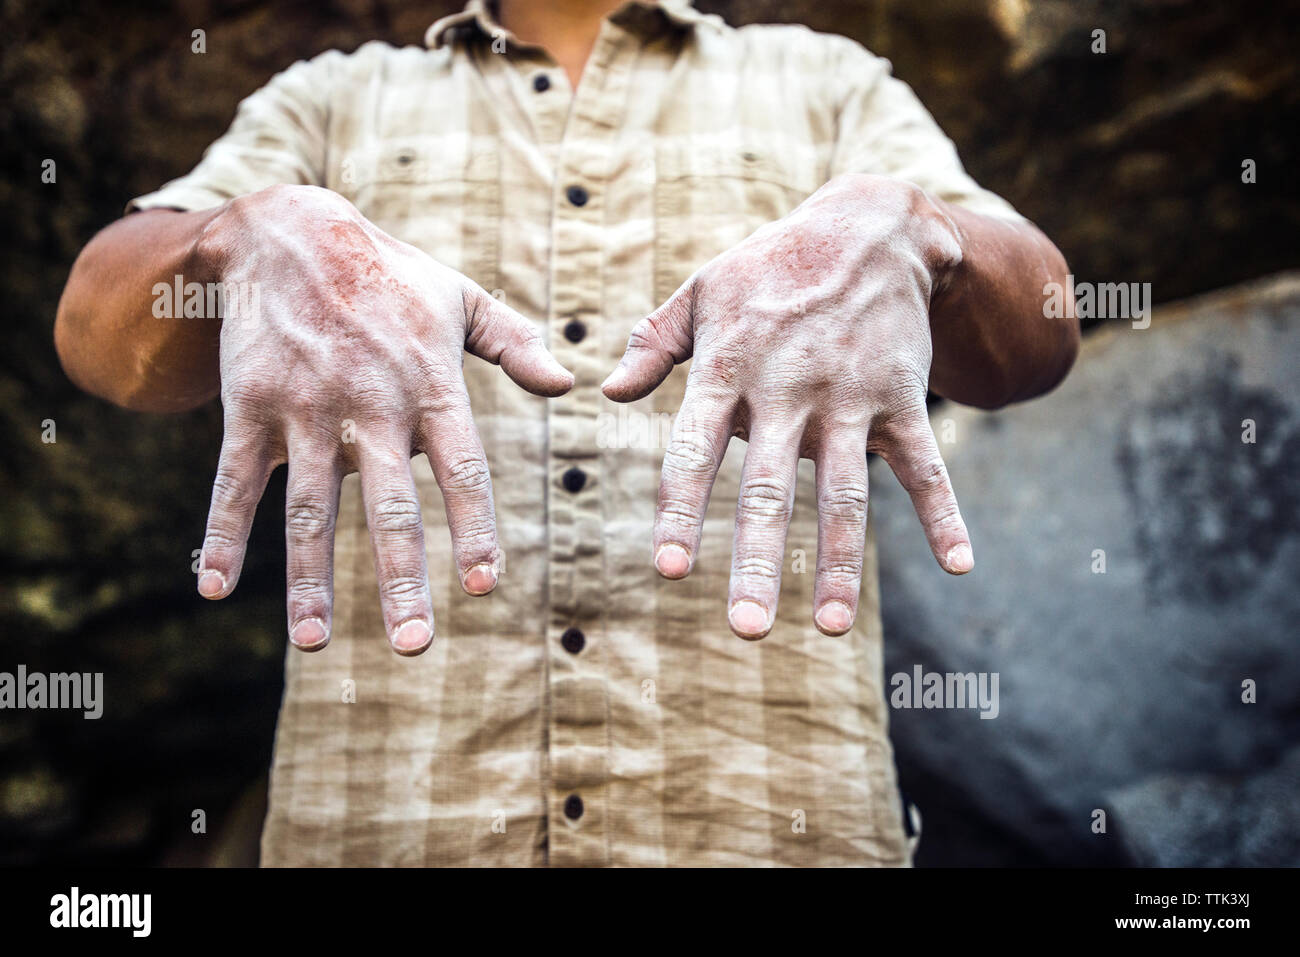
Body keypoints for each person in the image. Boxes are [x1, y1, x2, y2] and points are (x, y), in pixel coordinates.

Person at [54, 0, 1078, 866]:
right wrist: (234, 238)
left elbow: (1039, 335)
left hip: (768, 821)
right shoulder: (331, 100)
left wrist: (916, 234)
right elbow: (94, 333)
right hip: (389, 824)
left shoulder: (827, 85)